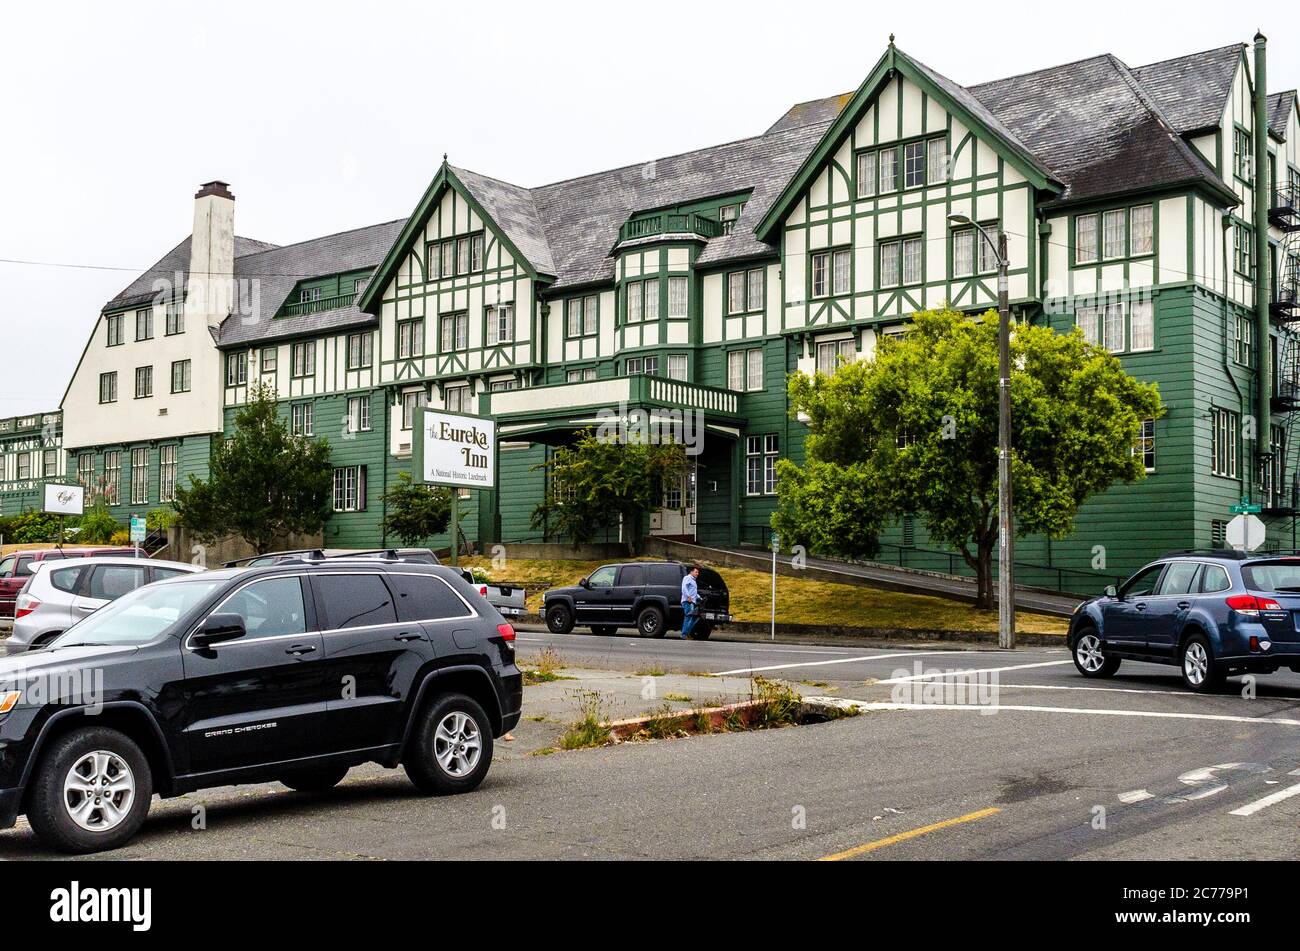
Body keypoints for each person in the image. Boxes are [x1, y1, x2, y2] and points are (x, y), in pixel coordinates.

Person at [680, 565, 701, 639]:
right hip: (688, 601)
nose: (697, 573)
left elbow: (693, 592)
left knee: (694, 618)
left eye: (698, 572)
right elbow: (684, 588)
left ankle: (687, 633)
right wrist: (688, 596)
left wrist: (699, 597)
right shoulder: (687, 578)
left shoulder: (693, 580)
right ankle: (684, 635)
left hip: (692, 601)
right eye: (696, 572)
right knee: (688, 617)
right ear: (691, 572)